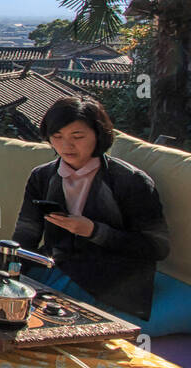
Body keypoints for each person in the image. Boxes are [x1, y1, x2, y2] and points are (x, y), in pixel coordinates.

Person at [11, 96, 170, 322]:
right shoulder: (43, 176)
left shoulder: (130, 181)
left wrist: (95, 231)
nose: (66, 146)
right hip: (54, 267)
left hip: (110, 281)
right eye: (57, 137)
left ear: (99, 134)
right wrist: (6, 277)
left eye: (78, 136)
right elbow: (26, 234)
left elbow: (157, 247)